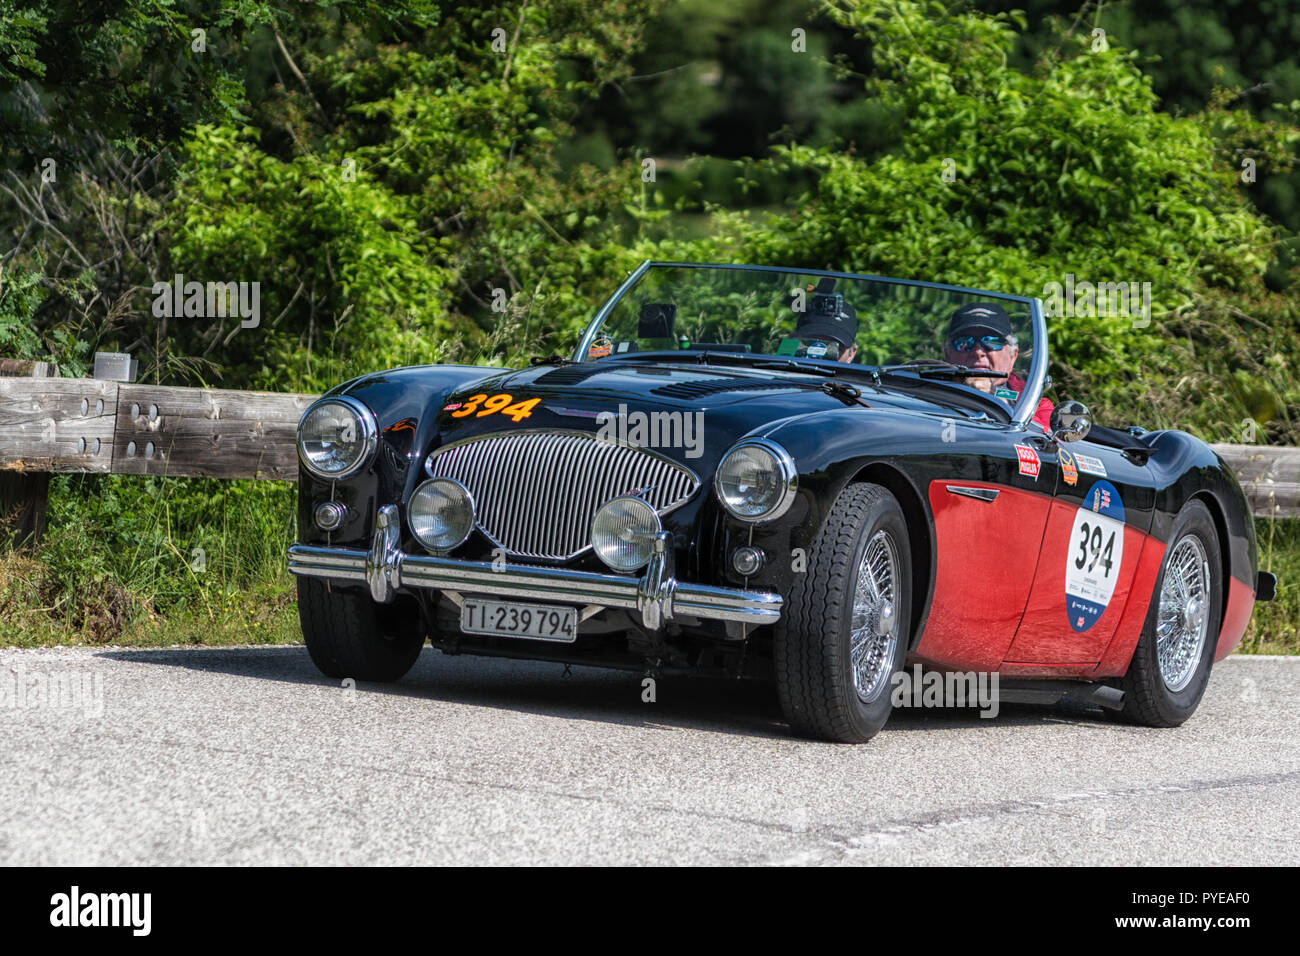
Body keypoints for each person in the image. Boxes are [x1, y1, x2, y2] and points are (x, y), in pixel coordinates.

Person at [944, 302, 1053, 429]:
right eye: (963, 342)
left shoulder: (1034, 404)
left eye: (992, 342)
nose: (978, 352)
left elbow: (1045, 437)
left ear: (1013, 356)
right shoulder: (925, 389)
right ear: (947, 354)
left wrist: (1002, 403)